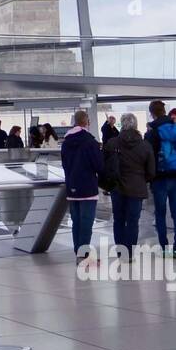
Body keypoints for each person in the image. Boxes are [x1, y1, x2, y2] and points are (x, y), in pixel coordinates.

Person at [102, 113, 154, 259]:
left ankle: (120, 250)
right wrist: (143, 180)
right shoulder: (145, 145)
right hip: (137, 187)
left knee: (118, 219)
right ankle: (129, 252)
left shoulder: (112, 143)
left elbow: (103, 165)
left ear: (122, 124)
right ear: (136, 125)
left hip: (116, 187)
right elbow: (151, 170)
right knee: (133, 221)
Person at [144, 100, 176, 252]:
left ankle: (164, 246)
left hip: (160, 177)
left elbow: (148, 156)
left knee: (160, 213)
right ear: (164, 111)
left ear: (152, 113)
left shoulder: (151, 133)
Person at [60, 110, 103, 259]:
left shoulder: (66, 142)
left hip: (72, 186)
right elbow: (98, 165)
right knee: (87, 221)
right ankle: (83, 252)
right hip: (88, 187)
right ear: (86, 122)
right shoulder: (90, 142)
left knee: (76, 221)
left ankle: (78, 249)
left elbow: (64, 164)